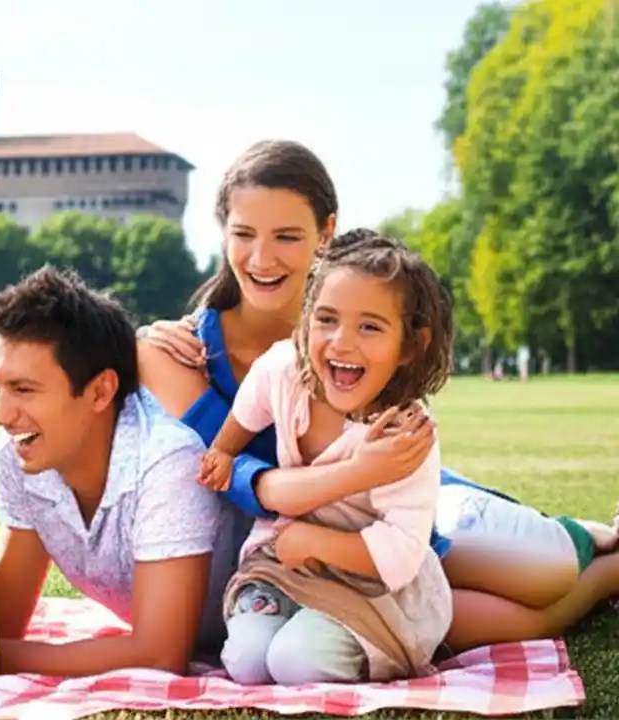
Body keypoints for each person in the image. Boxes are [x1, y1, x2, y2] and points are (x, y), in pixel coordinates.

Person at [138, 139, 619, 654]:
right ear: (223, 233)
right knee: (498, 625)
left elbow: (404, 464)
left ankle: (582, 542)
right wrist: (132, 338)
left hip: (391, 524)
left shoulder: (356, 335)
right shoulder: (181, 351)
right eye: (244, 234)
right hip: (292, 551)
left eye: (287, 236)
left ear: (326, 233)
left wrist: (371, 481)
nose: (262, 258)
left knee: (546, 579)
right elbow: (228, 467)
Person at [201, 228, 455, 685]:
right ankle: (282, 619)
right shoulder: (284, 370)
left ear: (410, 346)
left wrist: (314, 544)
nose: (341, 342)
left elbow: (399, 555)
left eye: (370, 326)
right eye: (326, 319)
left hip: (372, 589)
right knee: (247, 660)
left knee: (296, 663)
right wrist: (224, 448)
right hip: (285, 567)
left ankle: (362, 646)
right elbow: (250, 403)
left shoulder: (406, 436)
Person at [0, 266, 231, 677]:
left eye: (23, 389)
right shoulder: (18, 453)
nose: (1, 415)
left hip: (275, 624)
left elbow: (159, 655)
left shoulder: (166, 458)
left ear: (100, 391)